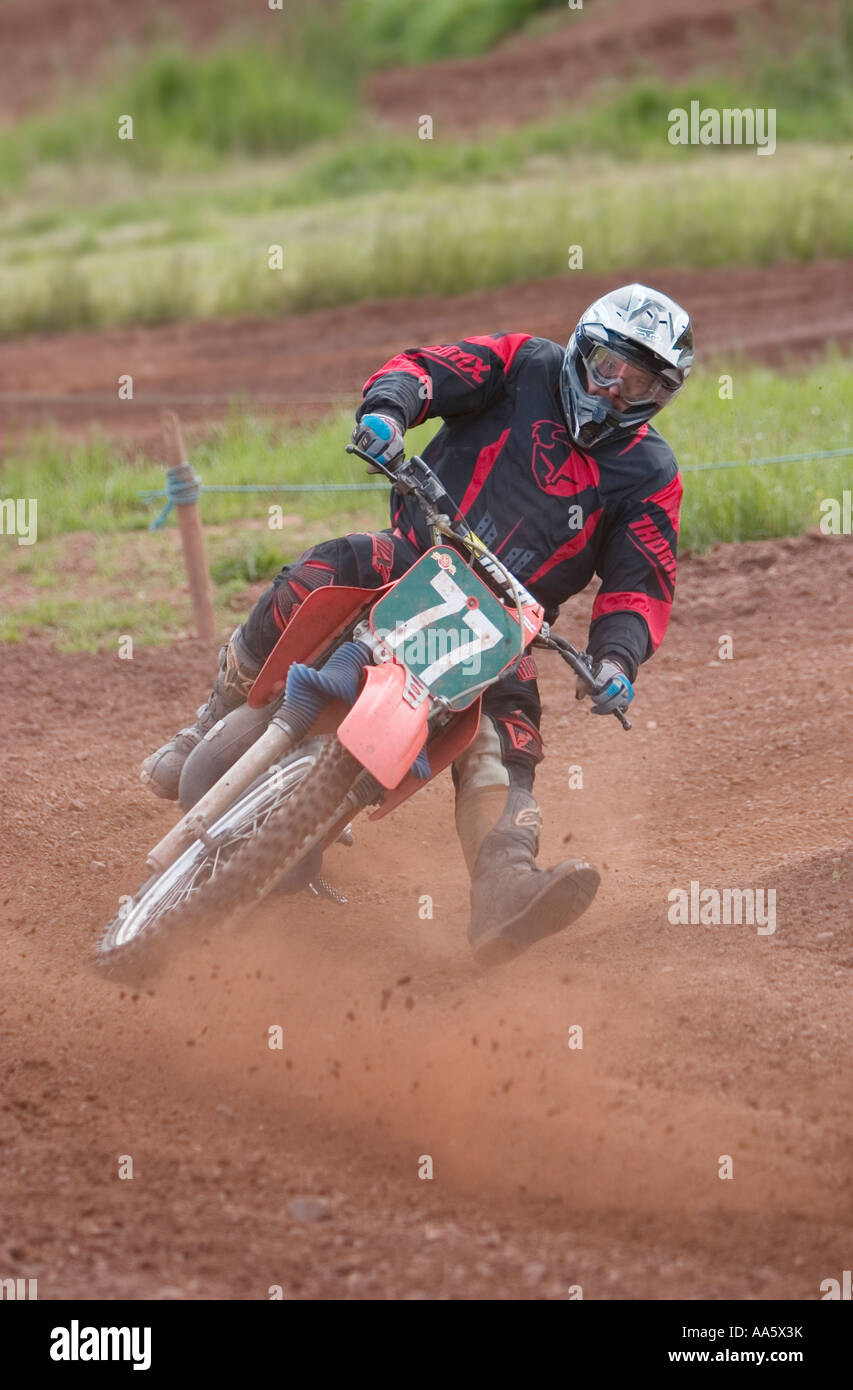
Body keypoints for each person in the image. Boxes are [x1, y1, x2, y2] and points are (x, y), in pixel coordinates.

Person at [142, 284, 693, 965]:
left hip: (502, 627)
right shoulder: (525, 363)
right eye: (608, 366)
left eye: (637, 386)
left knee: (511, 739)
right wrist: (386, 413)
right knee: (325, 568)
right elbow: (425, 369)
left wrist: (616, 661)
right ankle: (212, 714)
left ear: (658, 398)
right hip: (412, 553)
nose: (613, 391)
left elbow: (641, 587)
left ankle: (504, 886)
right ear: (583, 347)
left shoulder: (649, 472)